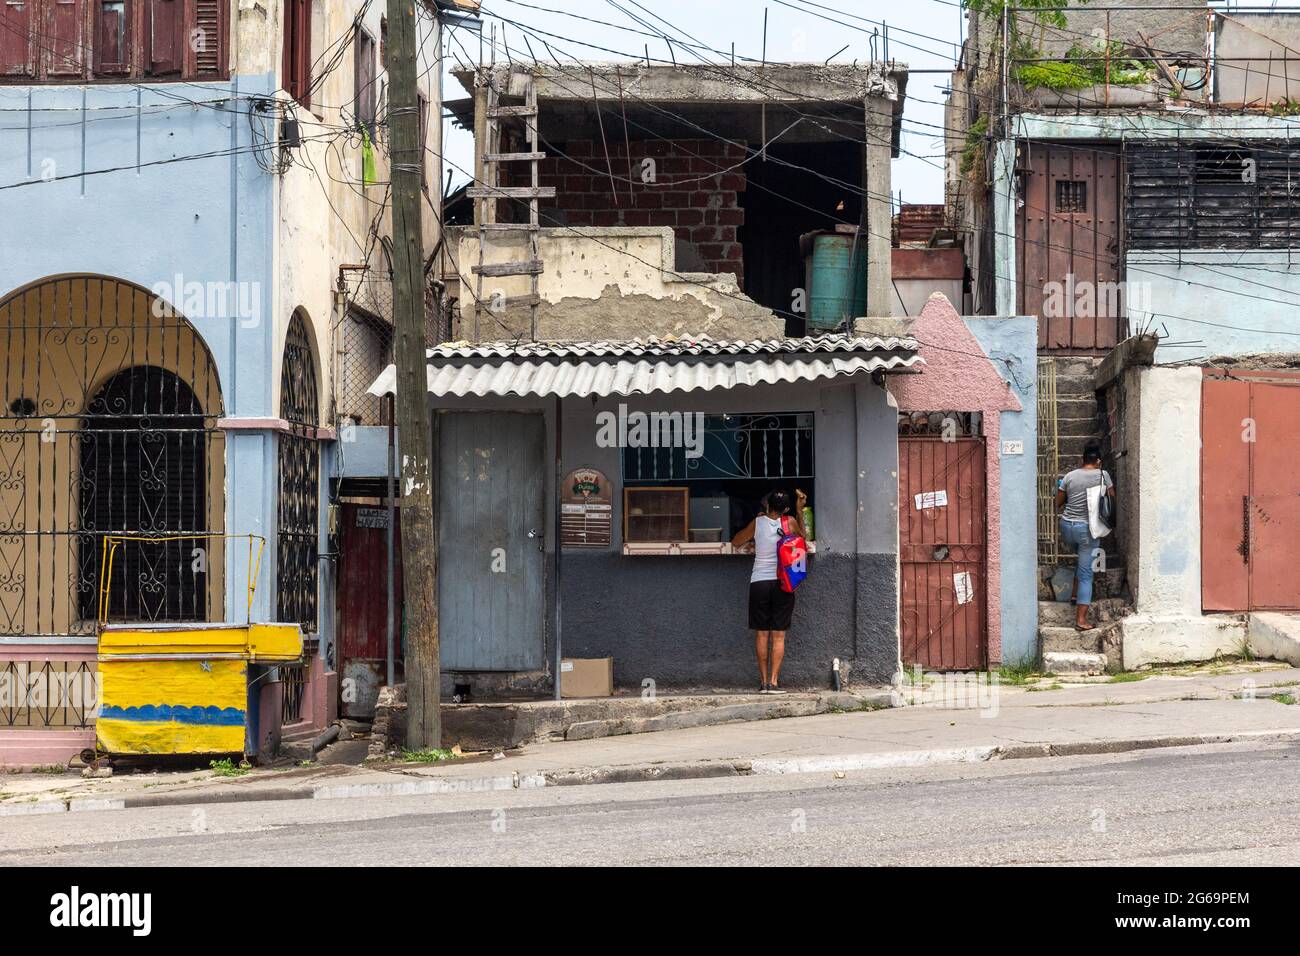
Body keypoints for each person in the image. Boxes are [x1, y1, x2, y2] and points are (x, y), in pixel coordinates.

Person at [731, 488, 808, 694]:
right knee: (779, 636)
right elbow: (803, 541)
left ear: (767, 505)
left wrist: (755, 535)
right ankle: (774, 683)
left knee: (762, 635)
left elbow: (736, 541)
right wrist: (800, 512)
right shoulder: (790, 522)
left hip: (760, 582)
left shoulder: (757, 523)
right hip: (783, 583)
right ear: (787, 509)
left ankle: (763, 683)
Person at [1055, 444, 1115, 630]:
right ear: (1098, 461)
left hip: (1066, 528)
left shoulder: (1069, 476)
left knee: (1082, 560)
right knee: (1087, 573)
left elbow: (1058, 502)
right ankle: (1081, 620)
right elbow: (1111, 498)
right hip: (1087, 530)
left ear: (1083, 460)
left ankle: (1074, 594)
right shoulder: (1102, 475)